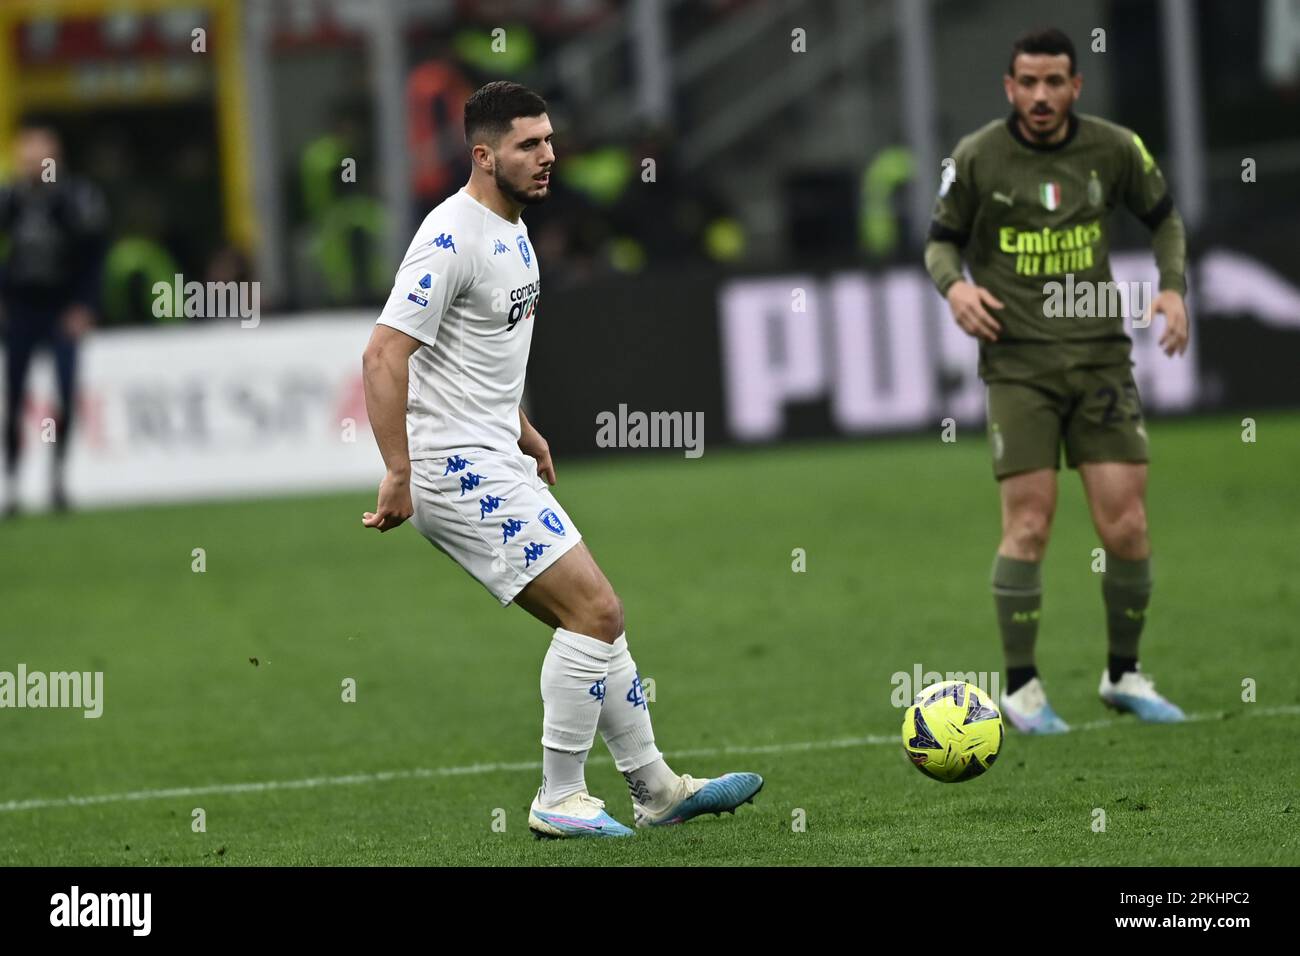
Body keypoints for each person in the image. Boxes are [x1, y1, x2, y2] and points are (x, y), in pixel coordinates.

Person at [360, 81, 763, 837]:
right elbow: (384, 354)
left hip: (490, 450)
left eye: (548, 141)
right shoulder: (452, 236)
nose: (548, 157)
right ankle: (558, 795)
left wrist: (520, 425)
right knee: (596, 610)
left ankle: (656, 787)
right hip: (452, 467)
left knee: (597, 621)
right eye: (528, 145)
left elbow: (468, 355)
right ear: (483, 156)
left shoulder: (512, 228)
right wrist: (399, 469)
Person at [924, 28, 1189, 733]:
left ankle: (1124, 673)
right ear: (1010, 88)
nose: (1042, 96)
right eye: (1029, 83)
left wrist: (1172, 288)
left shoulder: (1114, 148)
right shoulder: (977, 157)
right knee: (1031, 524)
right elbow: (940, 241)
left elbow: (1164, 221)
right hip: (1019, 366)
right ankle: (1021, 688)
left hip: (1101, 358)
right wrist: (954, 289)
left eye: (1055, 82)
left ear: (1076, 87)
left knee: (1127, 525)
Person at [0, 124, 107, 516]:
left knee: (64, 392)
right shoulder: (10, 200)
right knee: (14, 397)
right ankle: (12, 483)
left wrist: (84, 306)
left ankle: (57, 479)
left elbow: (94, 257)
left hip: (62, 310)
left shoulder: (75, 200)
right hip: (23, 311)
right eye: (25, 159)